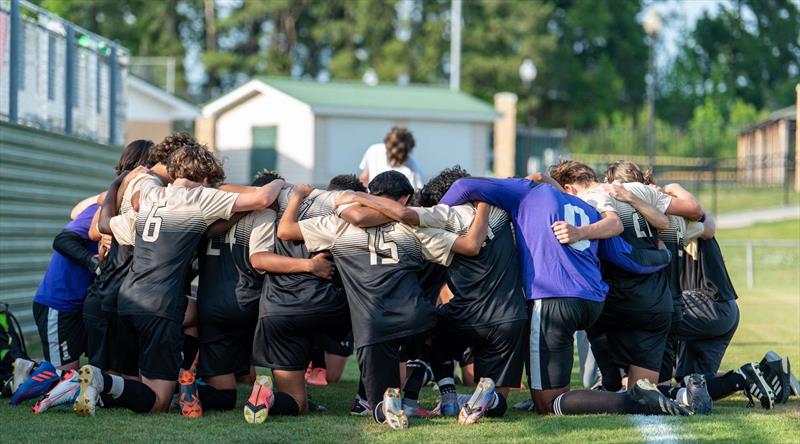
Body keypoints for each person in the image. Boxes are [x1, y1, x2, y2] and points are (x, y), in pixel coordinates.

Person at [438, 175, 688, 417]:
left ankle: (633, 399)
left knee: (548, 404)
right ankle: (633, 390)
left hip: (552, 299)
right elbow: (626, 256)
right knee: (559, 379)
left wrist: (436, 218)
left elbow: (464, 185)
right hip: (592, 304)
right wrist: (663, 257)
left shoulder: (528, 191)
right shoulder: (588, 208)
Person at [72, 143, 285, 417]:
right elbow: (262, 199)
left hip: (127, 299)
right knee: (158, 401)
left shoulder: (150, 193)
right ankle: (103, 382)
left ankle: (86, 386)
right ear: (206, 180)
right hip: (161, 304)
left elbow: (103, 226)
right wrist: (280, 182)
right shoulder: (200, 198)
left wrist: (116, 185)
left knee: (134, 382)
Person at [278, 171, 489, 429]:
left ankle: (387, 404)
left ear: (371, 195)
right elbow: (470, 246)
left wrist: (297, 196)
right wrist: (483, 205)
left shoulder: (340, 226)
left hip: (372, 325)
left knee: (375, 406)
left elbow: (285, 230)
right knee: (437, 334)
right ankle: (439, 394)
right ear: (407, 198)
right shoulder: (413, 227)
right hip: (415, 318)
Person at [337, 165, 529, 424]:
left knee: (430, 328)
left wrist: (358, 198)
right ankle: (487, 398)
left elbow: (407, 216)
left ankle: (446, 396)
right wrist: (485, 202)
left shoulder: (442, 215)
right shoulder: (502, 212)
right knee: (498, 396)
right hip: (511, 317)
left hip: (465, 315)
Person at [192, 170, 284, 415]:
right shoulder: (266, 212)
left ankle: (184, 390)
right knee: (291, 330)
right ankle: (288, 395)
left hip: (209, 305)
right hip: (250, 304)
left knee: (224, 398)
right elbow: (260, 260)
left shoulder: (213, 208)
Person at [359, 127, 424, 190]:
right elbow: (365, 177)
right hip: (371, 198)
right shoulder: (374, 151)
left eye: (400, 152)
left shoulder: (412, 165)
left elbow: (417, 191)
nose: (395, 152)